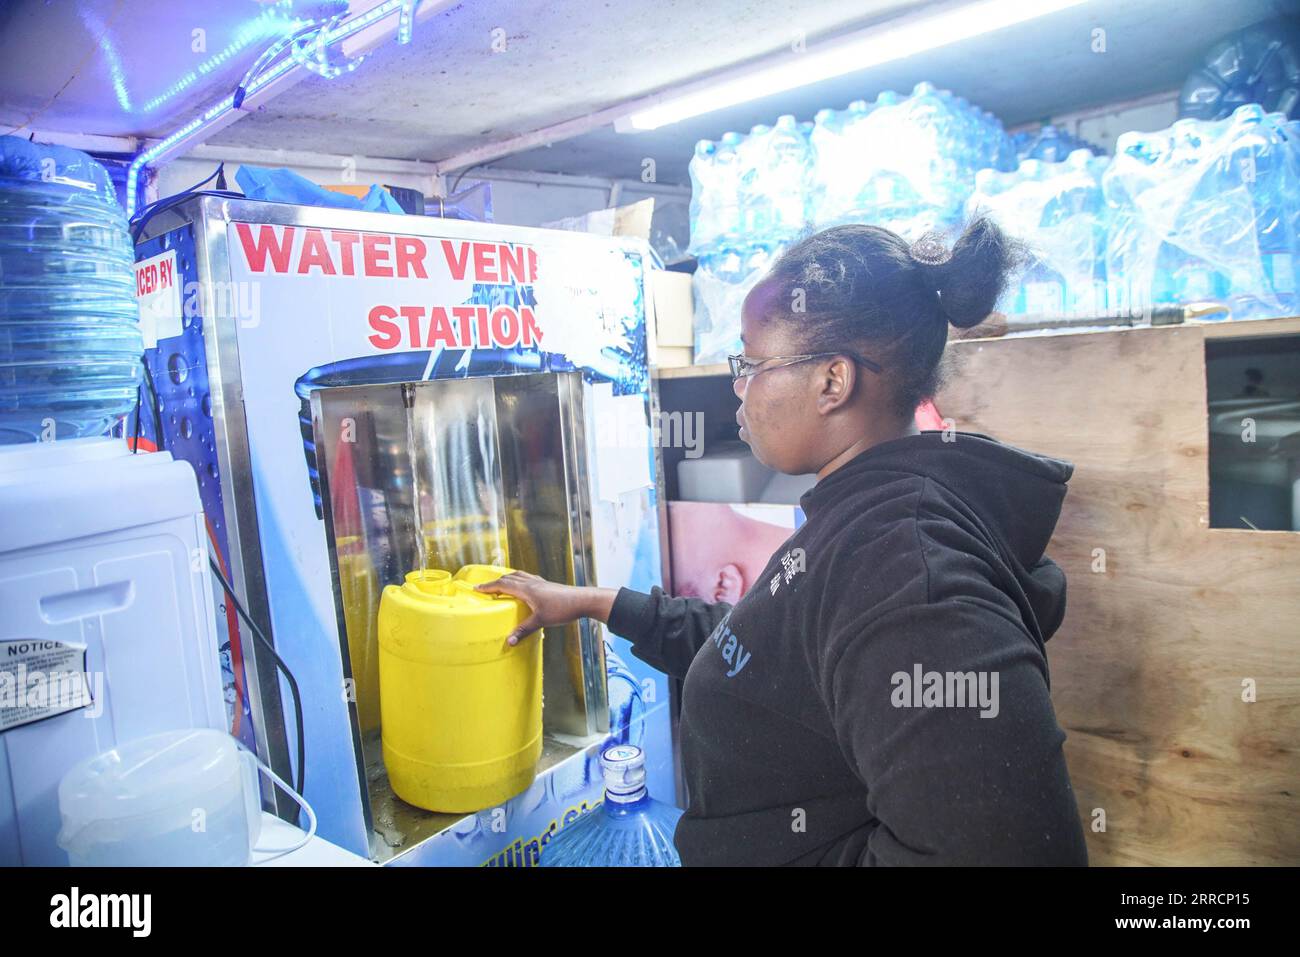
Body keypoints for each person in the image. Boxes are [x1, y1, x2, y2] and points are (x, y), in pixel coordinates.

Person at [477, 217, 1089, 866]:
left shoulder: (915, 586)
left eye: (751, 363)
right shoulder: (860, 524)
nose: (736, 387)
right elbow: (768, 652)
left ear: (833, 380)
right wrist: (593, 601)